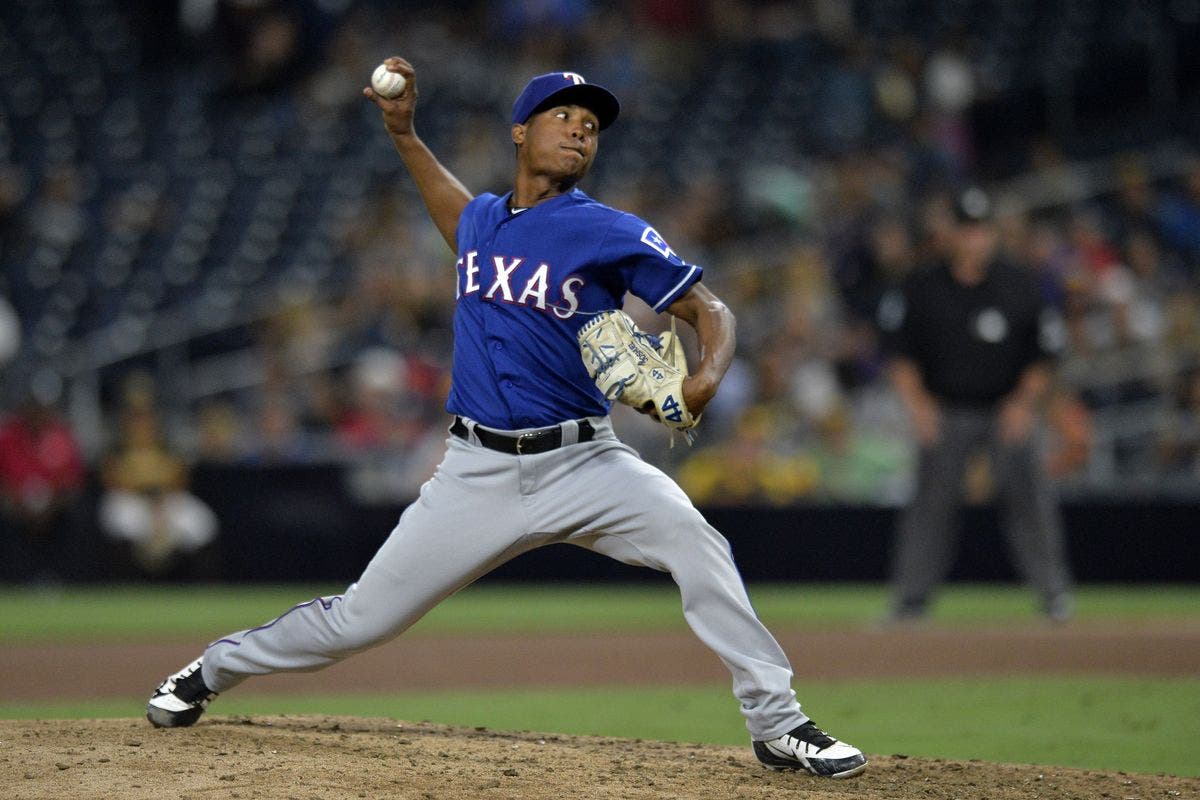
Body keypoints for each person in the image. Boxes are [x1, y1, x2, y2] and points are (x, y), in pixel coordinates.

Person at [144, 61, 868, 779]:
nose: (581, 133)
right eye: (564, 118)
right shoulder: (481, 221)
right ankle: (211, 671)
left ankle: (778, 725)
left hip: (587, 463)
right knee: (360, 621)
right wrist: (404, 132)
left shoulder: (610, 231)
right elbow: (447, 201)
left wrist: (706, 376)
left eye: (591, 128)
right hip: (476, 472)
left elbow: (710, 310)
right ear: (520, 132)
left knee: (696, 541)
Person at [883, 187, 1074, 623]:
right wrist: (919, 407)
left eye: (981, 231)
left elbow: (1044, 351)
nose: (974, 240)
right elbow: (899, 351)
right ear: (950, 234)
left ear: (992, 234)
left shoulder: (1019, 283)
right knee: (931, 503)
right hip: (945, 409)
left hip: (1007, 407)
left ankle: (1054, 596)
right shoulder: (921, 285)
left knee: (1030, 499)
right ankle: (910, 601)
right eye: (966, 231)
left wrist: (1024, 405)